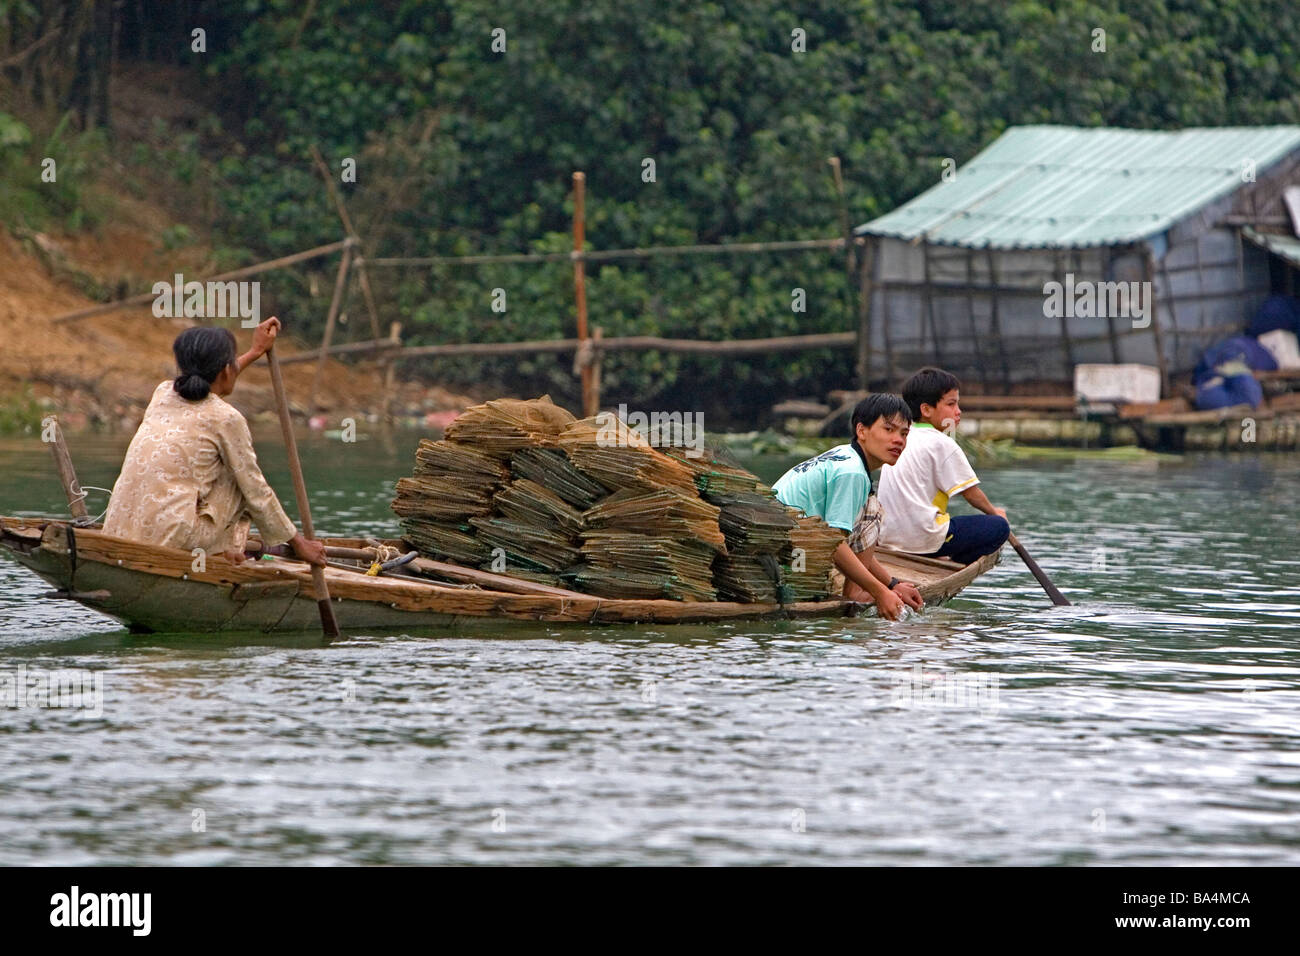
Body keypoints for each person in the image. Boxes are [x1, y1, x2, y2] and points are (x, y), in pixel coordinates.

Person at [102, 317, 326, 568]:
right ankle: (224, 555)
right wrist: (298, 543)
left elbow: (208, 380)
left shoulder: (163, 393)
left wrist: (254, 352)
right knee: (241, 480)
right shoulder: (227, 419)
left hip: (121, 531)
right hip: (174, 539)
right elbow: (255, 489)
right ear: (226, 370)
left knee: (231, 473)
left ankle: (221, 551)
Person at [772, 394, 924, 621]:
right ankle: (856, 593)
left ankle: (860, 589)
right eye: (889, 430)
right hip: (787, 548)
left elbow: (851, 540)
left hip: (789, 539)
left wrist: (892, 583)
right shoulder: (852, 472)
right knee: (873, 510)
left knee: (869, 507)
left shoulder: (846, 456)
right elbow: (836, 543)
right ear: (862, 431)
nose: (898, 440)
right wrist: (881, 592)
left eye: (904, 434)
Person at [876, 367, 1009, 564]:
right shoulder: (942, 442)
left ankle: (937, 551)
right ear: (926, 409)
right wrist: (996, 513)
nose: (958, 412)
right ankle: (952, 561)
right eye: (951, 404)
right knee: (998, 528)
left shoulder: (900, 437)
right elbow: (972, 494)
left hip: (886, 537)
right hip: (921, 539)